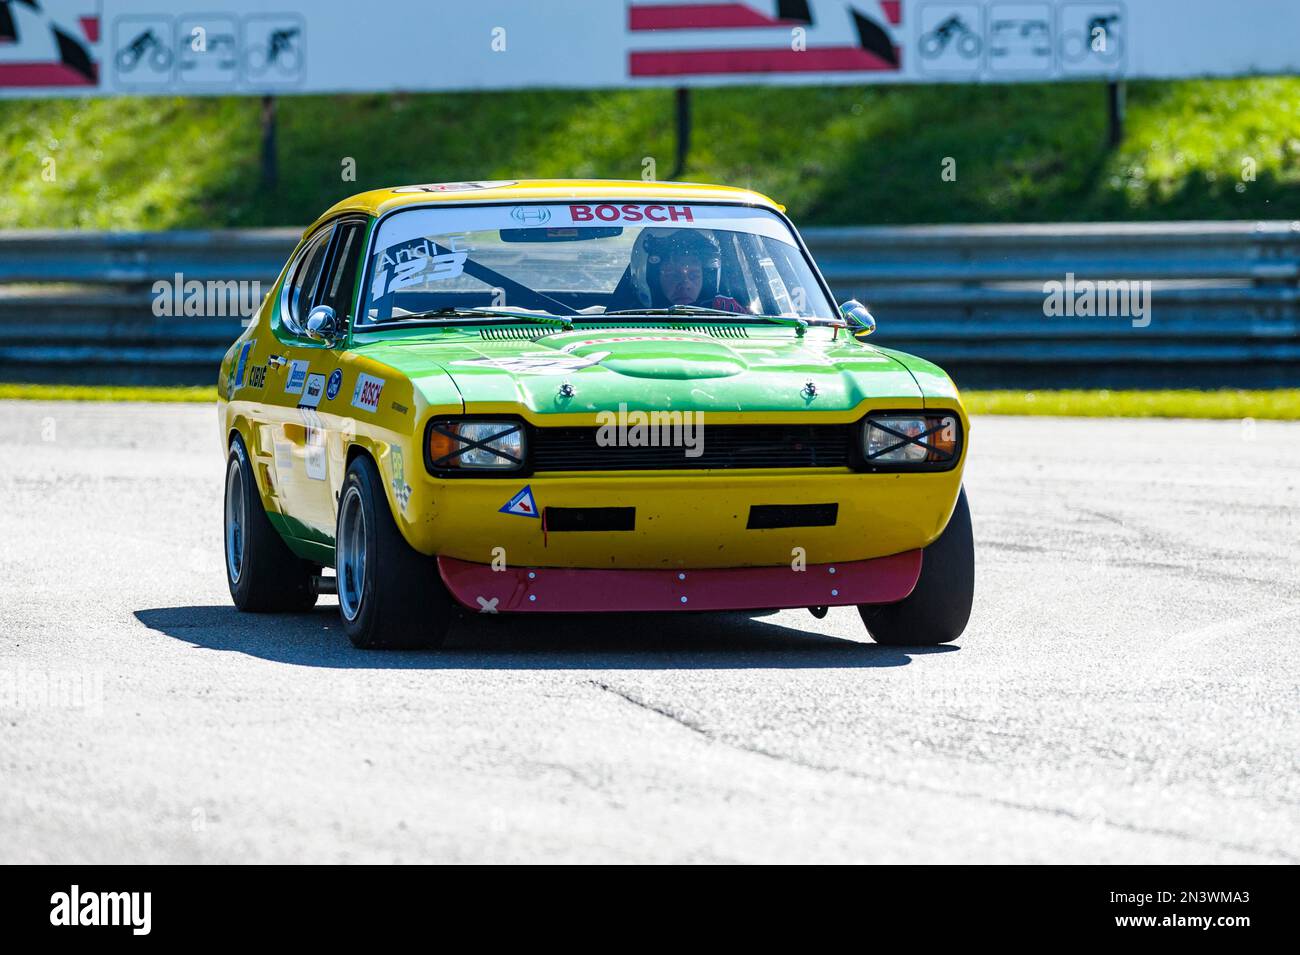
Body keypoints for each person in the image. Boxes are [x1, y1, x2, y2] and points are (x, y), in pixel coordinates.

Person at [627, 229, 748, 312]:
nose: (685, 285)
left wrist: (742, 315)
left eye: (694, 275)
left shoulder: (727, 315)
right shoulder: (624, 321)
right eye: (673, 276)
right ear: (652, 279)